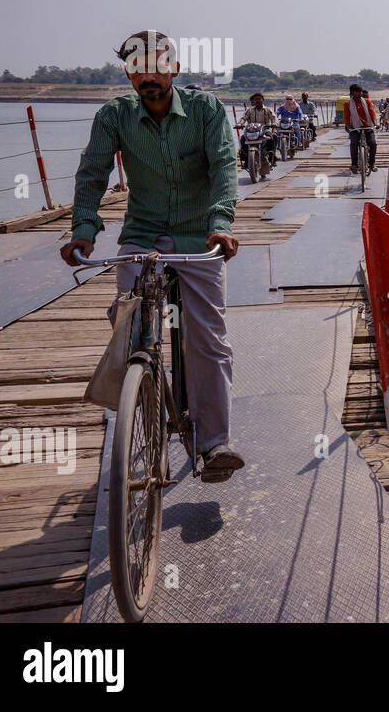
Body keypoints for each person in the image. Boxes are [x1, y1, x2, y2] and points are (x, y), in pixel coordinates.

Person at [60, 30, 245, 483]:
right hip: (142, 235)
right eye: (138, 66)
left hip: (199, 238)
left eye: (158, 64)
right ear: (129, 73)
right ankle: (142, 401)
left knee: (207, 338)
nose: (149, 74)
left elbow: (224, 166)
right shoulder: (113, 116)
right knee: (129, 325)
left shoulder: (206, 111)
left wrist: (221, 222)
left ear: (175, 69)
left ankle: (213, 444)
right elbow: (93, 172)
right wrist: (84, 228)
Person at [238, 92, 278, 164]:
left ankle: (271, 155)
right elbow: (243, 118)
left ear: (263, 100)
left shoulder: (267, 110)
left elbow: (274, 117)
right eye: (256, 99)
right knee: (243, 138)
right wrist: (239, 123)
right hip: (251, 131)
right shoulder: (249, 110)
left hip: (265, 130)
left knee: (271, 137)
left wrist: (274, 123)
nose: (257, 101)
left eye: (259, 99)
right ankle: (246, 157)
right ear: (253, 101)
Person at [345, 83, 377, 173]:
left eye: (360, 92)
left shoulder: (367, 101)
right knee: (354, 143)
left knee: (373, 143)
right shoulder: (347, 104)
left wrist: (376, 123)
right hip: (355, 128)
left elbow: (372, 114)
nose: (359, 94)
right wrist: (348, 127)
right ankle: (354, 164)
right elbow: (347, 117)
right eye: (357, 92)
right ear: (352, 93)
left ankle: (372, 164)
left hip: (368, 127)